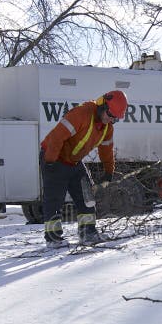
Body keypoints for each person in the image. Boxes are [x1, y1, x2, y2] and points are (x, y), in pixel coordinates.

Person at [39, 90, 127, 246]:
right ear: (102, 104)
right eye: (110, 114)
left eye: (115, 118)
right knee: (54, 199)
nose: (111, 120)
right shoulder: (81, 114)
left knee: (87, 197)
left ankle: (88, 234)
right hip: (55, 157)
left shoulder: (107, 128)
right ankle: (53, 238)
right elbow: (56, 137)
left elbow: (106, 151)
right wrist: (50, 162)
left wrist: (108, 172)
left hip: (74, 162)